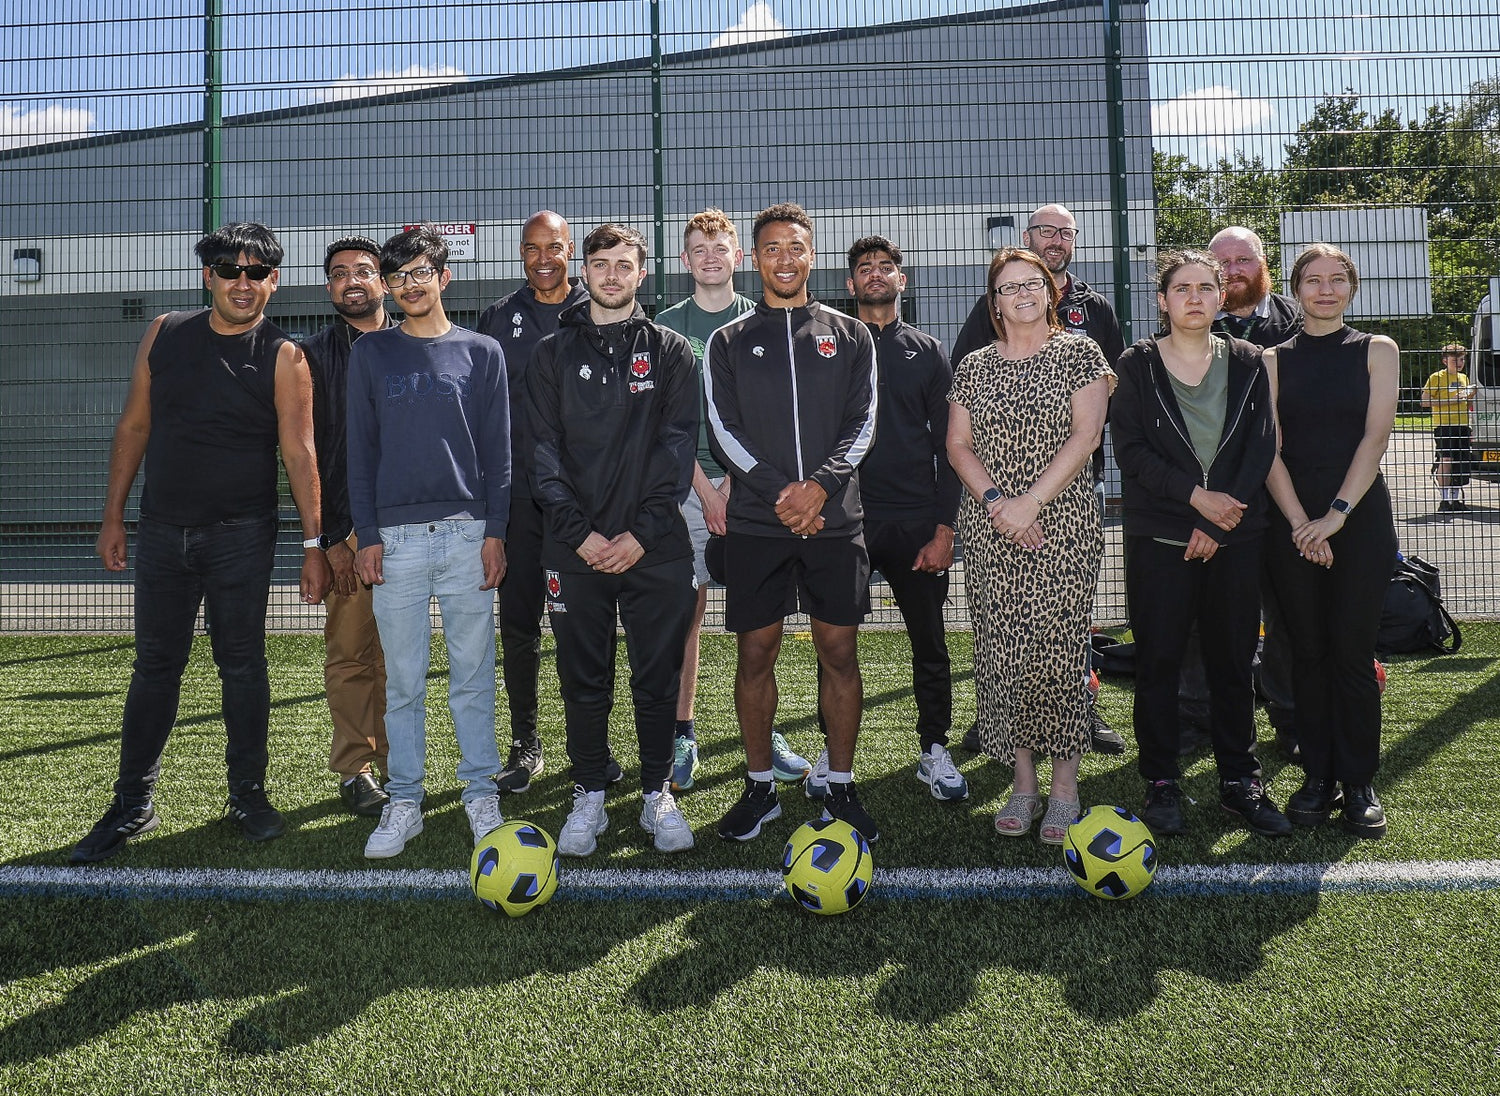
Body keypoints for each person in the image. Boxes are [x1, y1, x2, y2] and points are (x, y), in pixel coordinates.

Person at [71, 223, 330, 863]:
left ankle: (247, 794)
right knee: (155, 667)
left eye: (257, 271)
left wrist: (314, 543)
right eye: (228, 268)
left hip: (242, 536)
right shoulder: (164, 332)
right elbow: (134, 424)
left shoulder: (283, 355)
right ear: (207, 274)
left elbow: (300, 453)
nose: (242, 282)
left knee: (241, 666)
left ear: (275, 280)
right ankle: (132, 802)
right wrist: (113, 517)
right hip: (161, 533)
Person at [705, 202, 881, 842]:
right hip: (758, 522)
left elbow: (864, 422)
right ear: (755, 260)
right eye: (772, 248)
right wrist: (785, 493)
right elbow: (724, 432)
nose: (785, 258)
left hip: (835, 522)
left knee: (839, 649)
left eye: (796, 247)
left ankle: (839, 786)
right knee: (756, 653)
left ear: (812, 256)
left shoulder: (851, 334)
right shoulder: (727, 341)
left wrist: (821, 490)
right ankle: (759, 790)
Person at [528, 223, 700, 856]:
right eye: (599, 264)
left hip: (653, 549)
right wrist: (581, 536)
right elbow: (542, 452)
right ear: (585, 272)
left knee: (657, 678)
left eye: (622, 265)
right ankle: (591, 792)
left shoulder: (673, 352)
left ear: (641, 273)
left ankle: (657, 792)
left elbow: (676, 449)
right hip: (572, 551)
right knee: (583, 678)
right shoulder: (550, 354)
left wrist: (640, 534)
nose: (610, 275)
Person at [1110, 249, 1290, 837]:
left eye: (1205, 288)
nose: (1194, 297)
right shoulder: (1135, 365)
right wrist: (1195, 501)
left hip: (1236, 536)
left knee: (1234, 664)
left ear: (1221, 298)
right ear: (1162, 301)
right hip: (1161, 536)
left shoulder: (1248, 360)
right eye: (1181, 288)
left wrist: (1216, 522)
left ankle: (1240, 780)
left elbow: (1261, 445)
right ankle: (1161, 780)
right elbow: (1132, 453)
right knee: (1158, 661)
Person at [346, 224, 511, 858]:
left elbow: (499, 453)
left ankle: (478, 793)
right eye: (398, 277)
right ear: (386, 287)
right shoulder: (371, 355)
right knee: (406, 680)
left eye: (421, 273)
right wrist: (367, 536)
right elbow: (359, 452)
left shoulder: (482, 353)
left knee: (473, 674)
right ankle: (406, 800)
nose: (410, 286)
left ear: (443, 277)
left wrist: (495, 533)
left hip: (469, 534)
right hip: (397, 540)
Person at [946, 247, 1113, 845]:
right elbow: (958, 445)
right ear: (993, 303)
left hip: (1061, 522)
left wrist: (1030, 502)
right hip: (991, 530)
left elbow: (1087, 435)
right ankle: (1023, 783)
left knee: (1058, 651)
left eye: (1031, 284)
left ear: (1051, 292)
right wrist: (998, 504)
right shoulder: (974, 366)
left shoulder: (1079, 353)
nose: (1021, 294)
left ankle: (1065, 787)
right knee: (1005, 650)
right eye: (1007, 287)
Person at [655, 209, 811, 791]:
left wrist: (738, 483)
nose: (710, 257)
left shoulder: (763, 319)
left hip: (753, 489)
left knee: (761, 619)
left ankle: (762, 732)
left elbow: (775, 419)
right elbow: (666, 425)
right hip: (688, 490)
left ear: (738, 257)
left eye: (720, 247)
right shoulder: (667, 327)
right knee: (685, 617)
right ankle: (682, 734)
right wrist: (704, 485)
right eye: (699, 249)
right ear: (685, 261)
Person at [1263, 243, 1399, 839]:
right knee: (1308, 653)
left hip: (1358, 521)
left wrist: (1336, 516)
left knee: (1351, 653)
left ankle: (1359, 782)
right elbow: (1267, 451)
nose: (1324, 290)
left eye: (1336, 280)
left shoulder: (1378, 351)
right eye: (1312, 280)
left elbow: (1376, 437)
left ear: (1352, 287)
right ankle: (1317, 777)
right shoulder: (1270, 360)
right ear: (1295, 290)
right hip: (1292, 522)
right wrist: (1300, 522)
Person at [476, 211, 598, 794]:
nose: (543, 258)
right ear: (520, 253)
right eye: (531, 248)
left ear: (570, 250)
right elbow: (481, 415)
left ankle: (588, 749)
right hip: (520, 502)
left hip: (585, 504)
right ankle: (525, 743)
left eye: (554, 247)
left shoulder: (599, 308)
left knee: (582, 628)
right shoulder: (499, 318)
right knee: (519, 626)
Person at [844, 234, 966, 801]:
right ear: (849, 284)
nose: (875, 274)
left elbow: (951, 447)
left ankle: (934, 750)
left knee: (930, 642)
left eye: (885, 267)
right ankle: (833, 752)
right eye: (864, 268)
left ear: (902, 280)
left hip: (917, 523)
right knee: (835, 642)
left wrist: (946, 529)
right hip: (847, 523)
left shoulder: (928, 350)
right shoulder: (831, 347)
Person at [302, 236, 398, 817]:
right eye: (340, 274)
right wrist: (332, 536)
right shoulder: (310, 356)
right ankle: (355, 769)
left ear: (384, 281)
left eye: (364, 270)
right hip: (350, 532)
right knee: (352, 652)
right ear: (329, 287)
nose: (353, 281)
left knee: (402, 655)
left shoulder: (414, 342)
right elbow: (306, 452)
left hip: (415, 527)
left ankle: (397, 761)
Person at [1209, 224, 1304, 762]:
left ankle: (1289, 717)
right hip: (1224, 495)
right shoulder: (1194, 320)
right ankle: (1201, 716)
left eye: (1242, 260)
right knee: (1217, 617)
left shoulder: (1298, 321)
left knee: (1287, 611)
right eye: (1221, 262)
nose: (1231, 272)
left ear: (1263, 263)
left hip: (1288, 492)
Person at [1421, 342, 1476, 512]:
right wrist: (1452, 400)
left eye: (1462, 359)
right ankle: (1444, 499)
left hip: (1462, 425)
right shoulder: (1437, 377)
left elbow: (1467, 404)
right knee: (1446, 459)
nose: (1459, 363)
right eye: (1455, 359)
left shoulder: (1464, 378)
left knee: (1461, 461)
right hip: (1444, 425)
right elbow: (1424, 401)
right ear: (1445, 360)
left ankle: (1455, 498)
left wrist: (1469, 397)